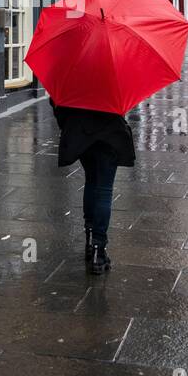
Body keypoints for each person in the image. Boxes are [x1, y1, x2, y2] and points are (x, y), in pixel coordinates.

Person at [51, 100, 136, 275]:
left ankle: (90, 239)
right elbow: (125, 104)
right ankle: (99, 250)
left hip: (82, 135)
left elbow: (57, 104)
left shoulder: (72, 75)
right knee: (104, 190)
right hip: (110, 136)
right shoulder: (114, 77)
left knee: (91, 180)